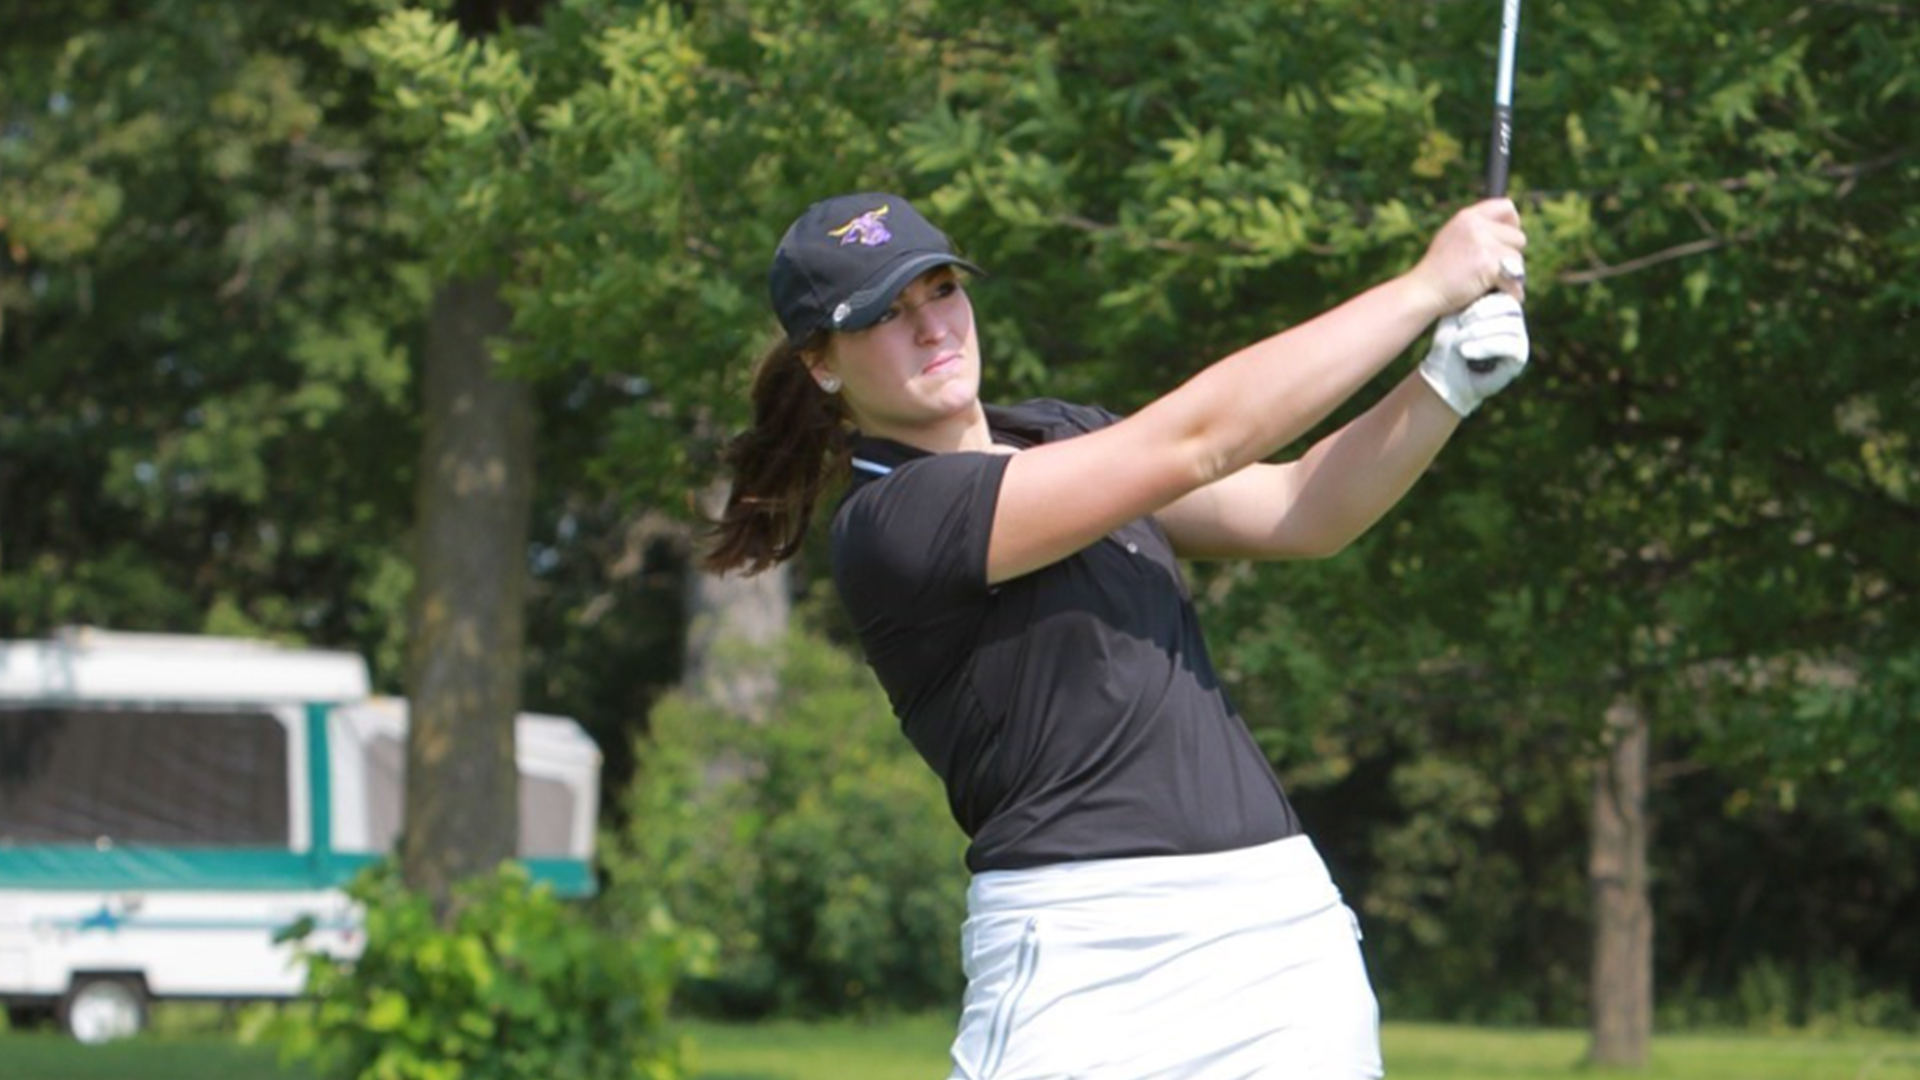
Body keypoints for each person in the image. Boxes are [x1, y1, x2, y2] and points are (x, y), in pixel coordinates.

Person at [706, 191, 1529, 1079]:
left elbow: (1300, 511)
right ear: (822, 365)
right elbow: (1196, 442)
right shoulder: (892, 521)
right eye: (882, 316)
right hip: (1085, 963)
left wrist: (1445, 383)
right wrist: (1423, 289)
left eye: (940, 290)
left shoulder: (1062, 433)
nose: (931, 327)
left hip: (1279, 936)